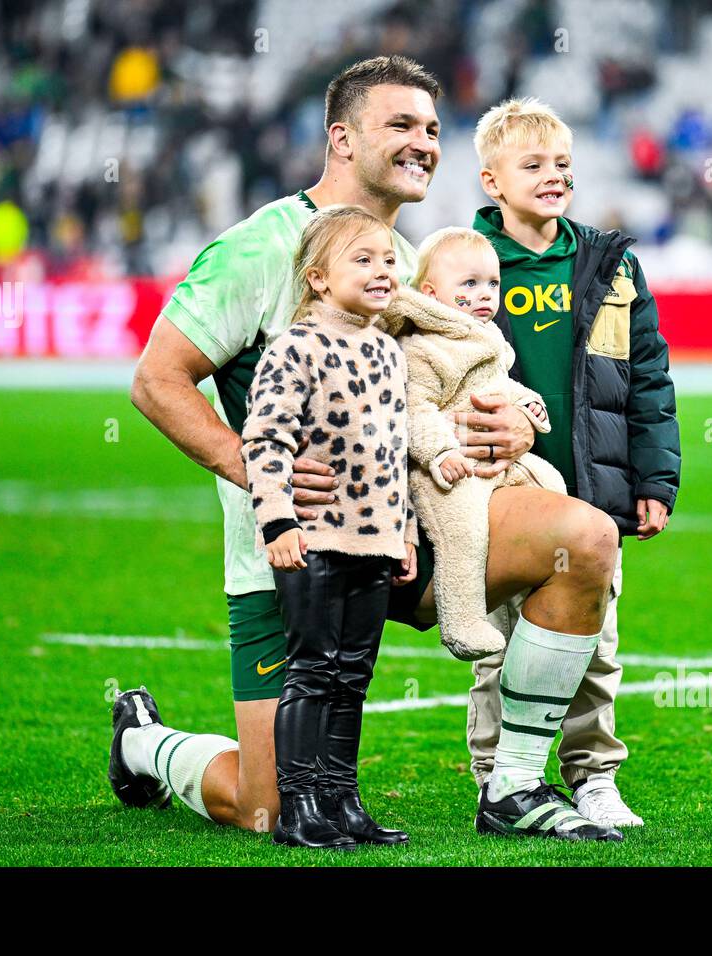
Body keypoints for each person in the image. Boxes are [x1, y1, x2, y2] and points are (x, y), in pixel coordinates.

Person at [111, 56, 621, 839]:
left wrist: (515, 424)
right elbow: (158, 380)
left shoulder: (409, 259)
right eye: (401, 125)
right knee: (265, 806)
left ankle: (513, 788)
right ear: (341, 139)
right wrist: (256, 469)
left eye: (432, 129)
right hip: (293, 557)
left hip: (412, 531)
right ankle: (145, 744)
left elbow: (448, 386)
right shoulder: (262, 246)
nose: (423, 142)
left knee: (582, 537)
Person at [465, 98, 681, 829]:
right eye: (533, 166)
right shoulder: (461, 262)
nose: (554, 177)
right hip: (501, 493)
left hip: (594, 490)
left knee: (594, 646)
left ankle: (593, 776)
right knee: (500, 644)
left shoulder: (609, 262)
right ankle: (502, 778)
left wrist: (654, 479)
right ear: (491, 180)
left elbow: (648, 376)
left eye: (562, 164)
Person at [242, 205, 415, 849]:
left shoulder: (388, 352)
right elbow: (264, 438)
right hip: (315, 539)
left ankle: (342, 800)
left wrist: (407, 535)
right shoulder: (295, 347)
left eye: (389, 260)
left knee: (355, 674)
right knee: (313, 667)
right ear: (317, 279)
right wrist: (278, 521)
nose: (381, 271)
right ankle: (300, 805)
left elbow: (396, 453)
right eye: (362, 260)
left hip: (374, 541)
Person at [385, 228, 563, 662]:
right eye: (469, 284)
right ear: (430, 292)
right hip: (446, 469)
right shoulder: (423, 347)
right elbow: (413, 410)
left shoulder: (487, 337)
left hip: (498, 460)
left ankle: (531, 596)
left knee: (551, 485)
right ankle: (461, 619)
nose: (485, 294)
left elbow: (501, 386)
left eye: (493, 284)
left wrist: (528, 408)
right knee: (463, 531)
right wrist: (440, 453)